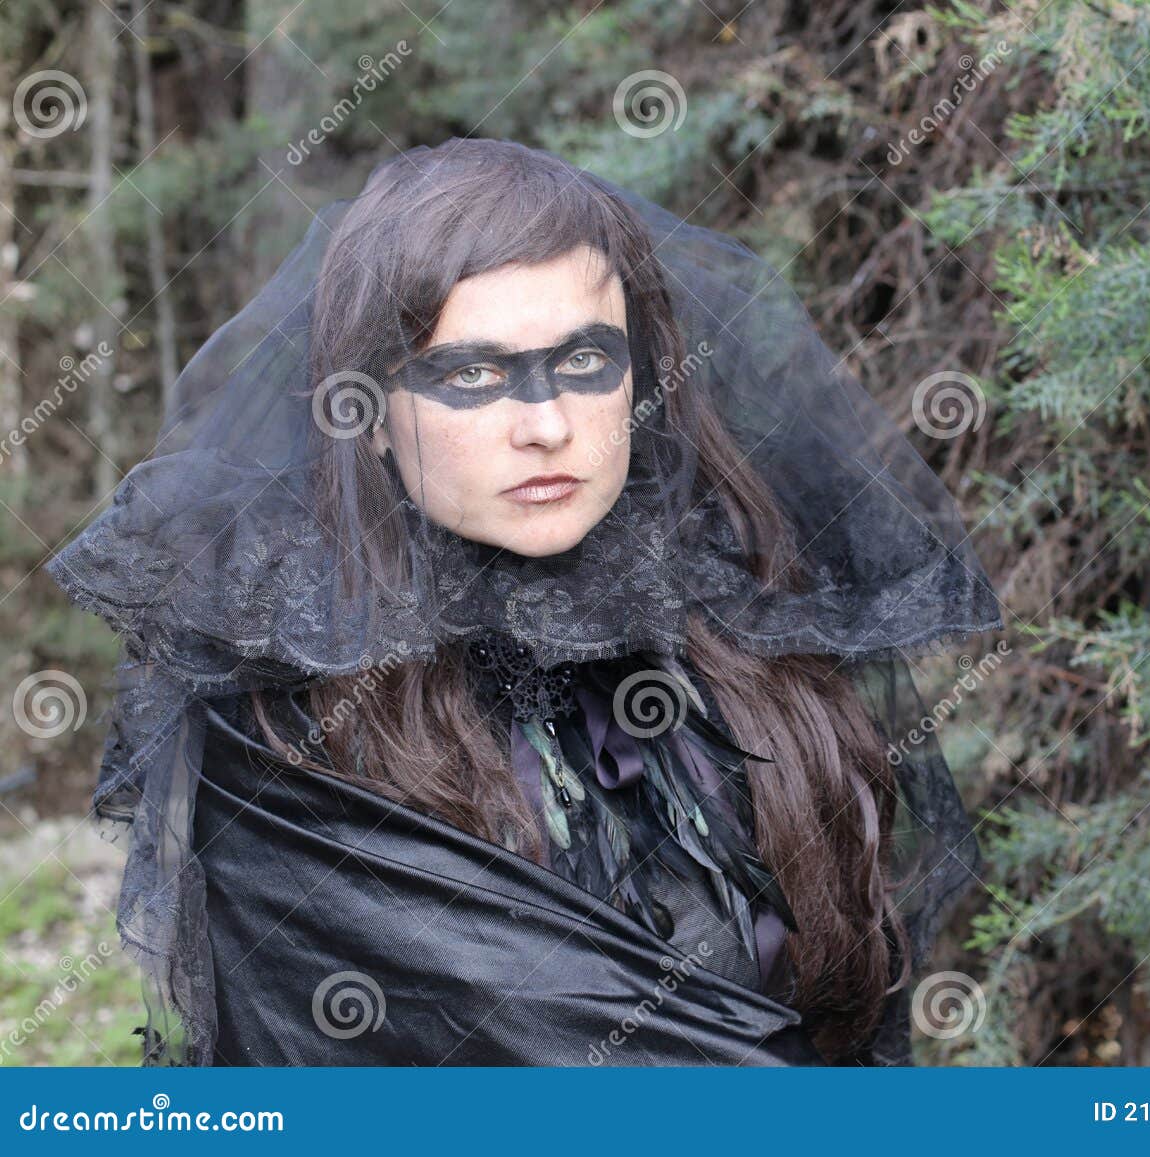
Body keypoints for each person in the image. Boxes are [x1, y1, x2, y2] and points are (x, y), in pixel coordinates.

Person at [46, 138, 1005, 1066]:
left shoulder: (741, 613)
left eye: (587, 361)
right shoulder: (290, 699)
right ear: (370, 413)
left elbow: (854, 1002)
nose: (546, 426)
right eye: (472, 373)